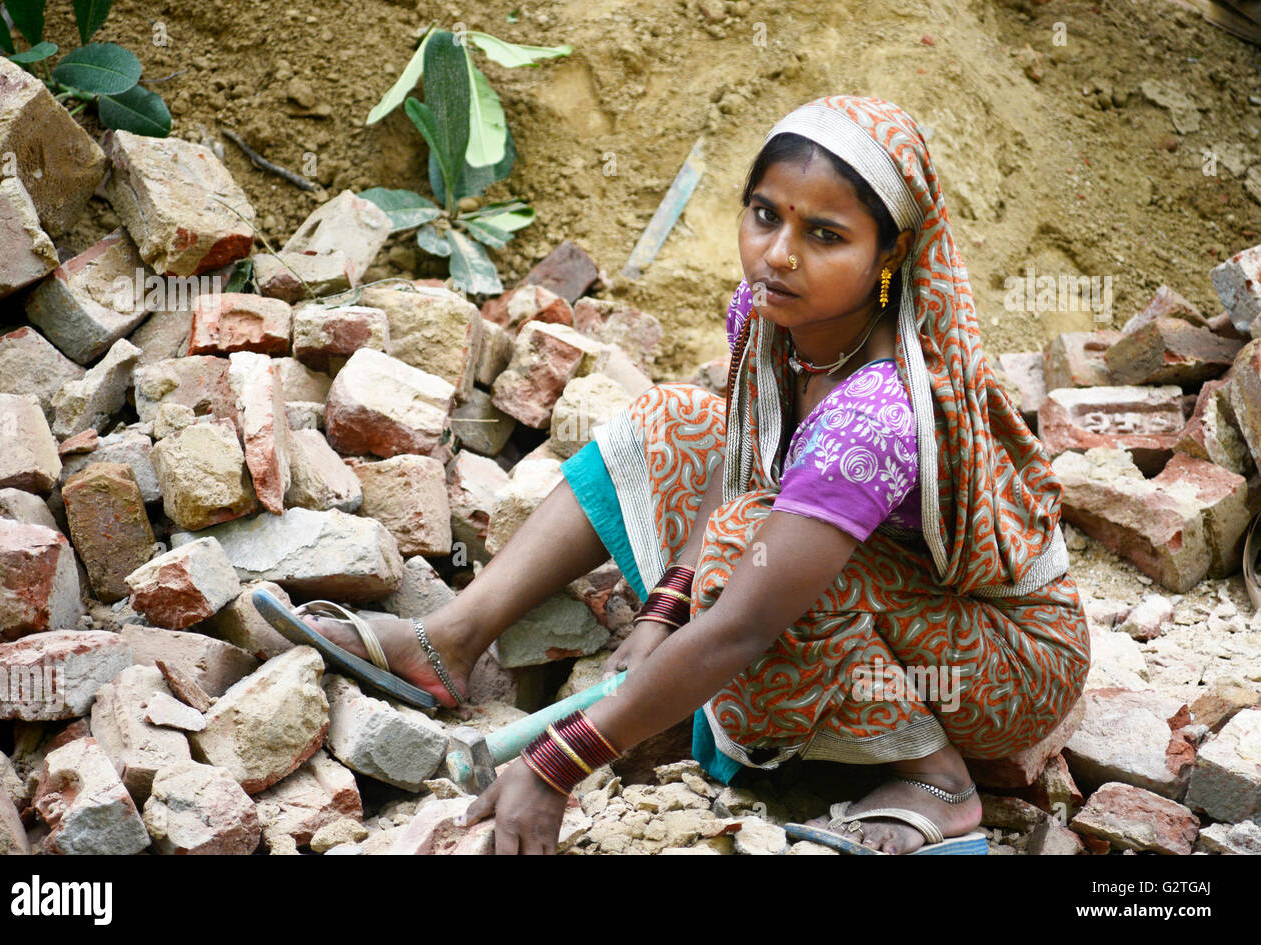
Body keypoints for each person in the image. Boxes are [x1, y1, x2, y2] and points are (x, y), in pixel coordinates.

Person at [291, 95, 1091, 855]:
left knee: (751, 551)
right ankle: (452, 639)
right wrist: (657, 618)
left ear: (891, 256)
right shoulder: (774, 313)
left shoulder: (877, 411)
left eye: (825, 235)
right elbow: (735, 455)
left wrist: (555, 764)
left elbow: (744, 624)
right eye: (765, 214)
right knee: (673, 417)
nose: (778, 253)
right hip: (896, 586)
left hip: (1005, 661)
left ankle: (937, 779)